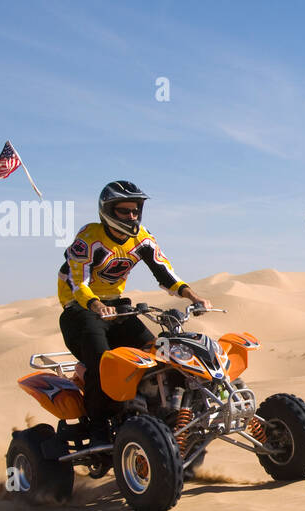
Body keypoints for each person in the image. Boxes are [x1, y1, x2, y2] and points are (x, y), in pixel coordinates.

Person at [57, 180, 211, 442]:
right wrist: (96, 305)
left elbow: (165, 273)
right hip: (79, 310)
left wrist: (194, 297)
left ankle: (161, 415)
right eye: (124, 211)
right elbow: (77, 283)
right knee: (102, 363)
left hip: (117, 307)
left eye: (135, 210)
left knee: (158, 353)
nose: (132, 216)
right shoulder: (89, 239)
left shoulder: (143, 239)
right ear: (107, 210)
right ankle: (98, 428)